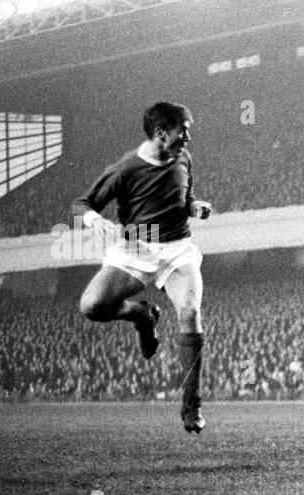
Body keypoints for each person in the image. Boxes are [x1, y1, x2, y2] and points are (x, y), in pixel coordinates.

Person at [73, 101, 213, 433]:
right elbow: (81, 204)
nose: (188, 138)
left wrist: (194, 207)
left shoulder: (183, 158)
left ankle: (191, 407)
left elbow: (184, 197)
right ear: (161, 134)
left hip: (177, 250)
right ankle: (141, 315)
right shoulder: (126, 169)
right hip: (136, 246)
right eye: (183, 131)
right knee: (92, 306)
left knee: (190, 313)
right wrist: (95, 221)